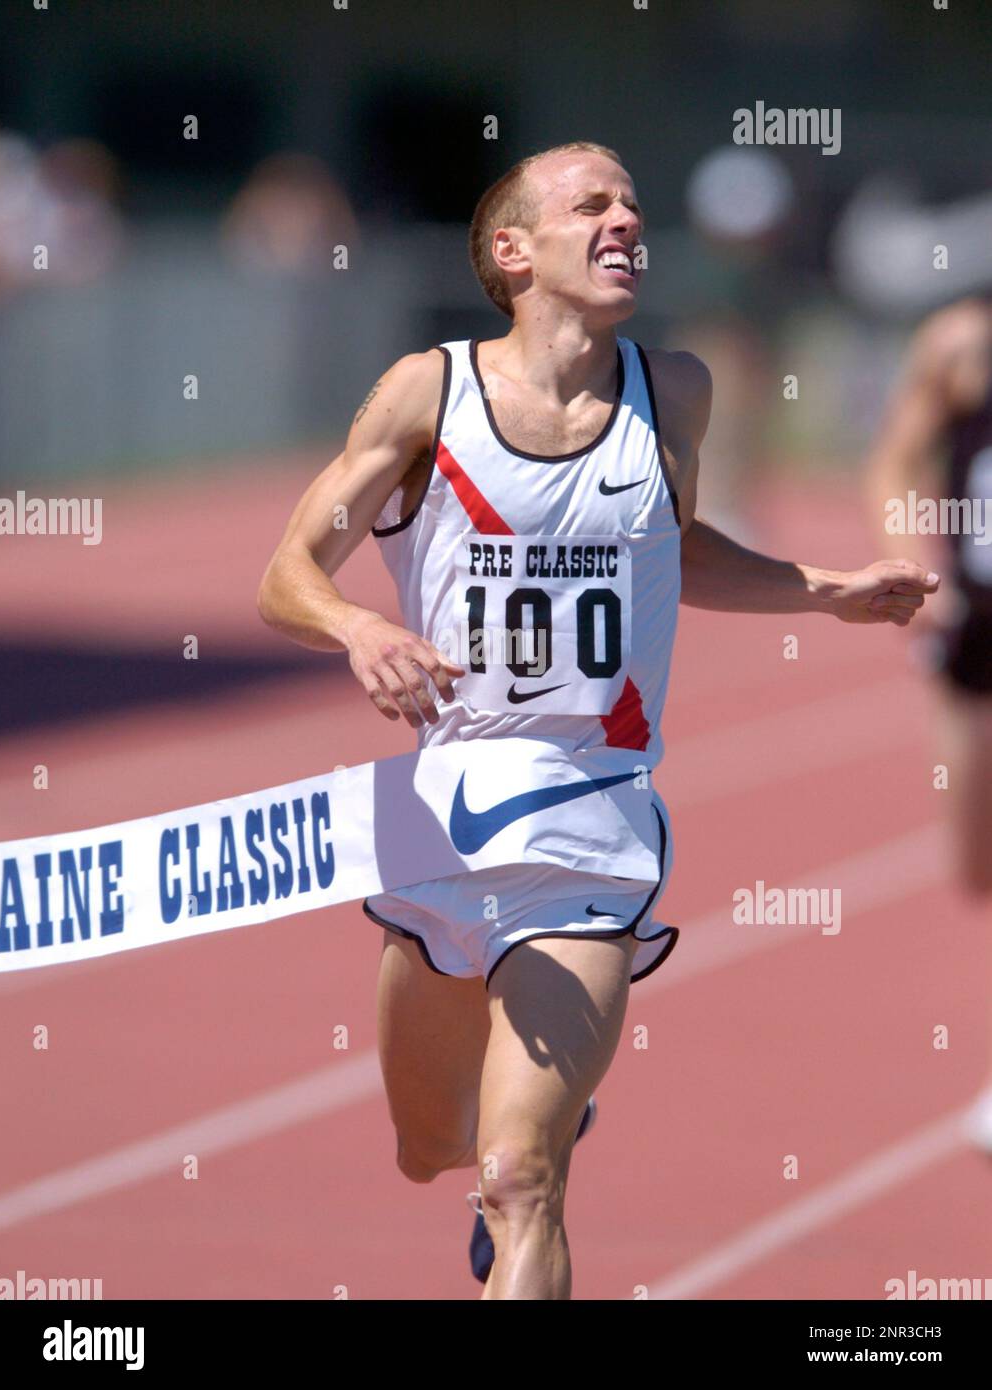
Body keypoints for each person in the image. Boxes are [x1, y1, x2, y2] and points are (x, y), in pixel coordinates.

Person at [258, 141, 937, 1300]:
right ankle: (517, 1137)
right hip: (442, 825)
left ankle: (533, 1152)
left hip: (592, 824)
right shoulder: (428, 391)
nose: (626, 218)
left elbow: (673, 549)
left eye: (631, 200)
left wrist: (822, 591)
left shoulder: (673, 389)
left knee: (523, 1172)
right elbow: (285, 573)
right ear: (513, 252)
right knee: (436, 1148)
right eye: (591, 204)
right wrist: (361, 630)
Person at [866, 296, 992, 1149]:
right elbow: (897, 459)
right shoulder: (961, 341)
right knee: (978, 866)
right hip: (978, 634)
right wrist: (907, 561)